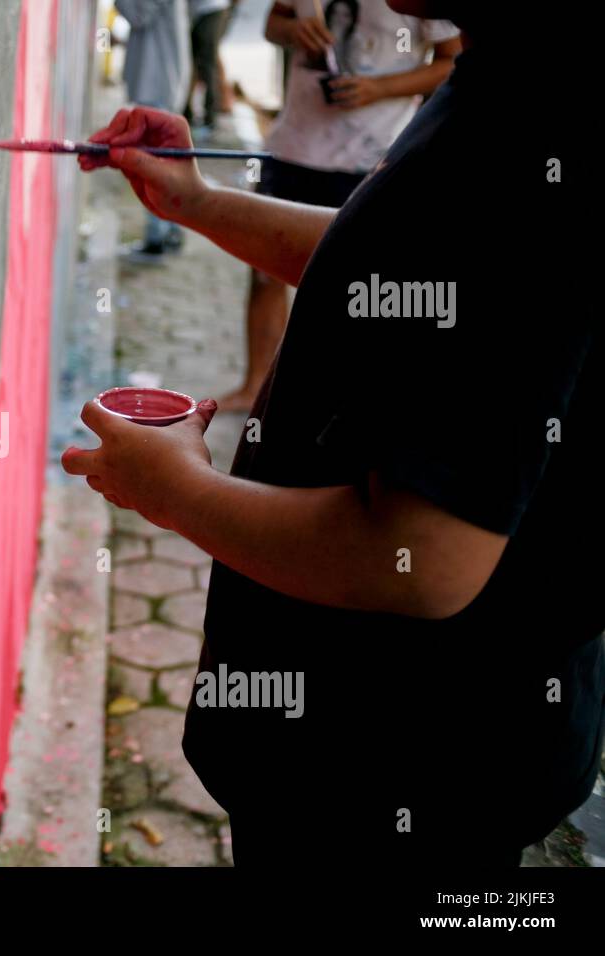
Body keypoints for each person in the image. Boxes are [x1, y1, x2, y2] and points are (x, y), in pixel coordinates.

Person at [65, 3, 600, 865]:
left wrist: (173, 491)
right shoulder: (513, 75)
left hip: (395, 772)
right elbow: (396, 265)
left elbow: (425, 559)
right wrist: (195, 201)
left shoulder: (540, 132)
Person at [217, 1, 461, 412]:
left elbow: (452, 62)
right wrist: (295, 31)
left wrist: (378, 89)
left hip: (371, 157)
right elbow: (273, 23)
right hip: (293, 145)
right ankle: (256, 384)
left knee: (355, 282)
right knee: (263, 274)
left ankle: (335, 401)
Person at [117, 0, 191, 261]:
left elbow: (137, 14)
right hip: (162, 79)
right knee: (164, 159)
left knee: (154, 163)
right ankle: (169, 230)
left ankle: (156, 237)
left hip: (157, 80)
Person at [185, 0, 233, 136]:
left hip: (211, 8)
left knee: (208, 64)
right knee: (193, 63)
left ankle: (210, 116)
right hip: (198, 12)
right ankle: (189, 114)